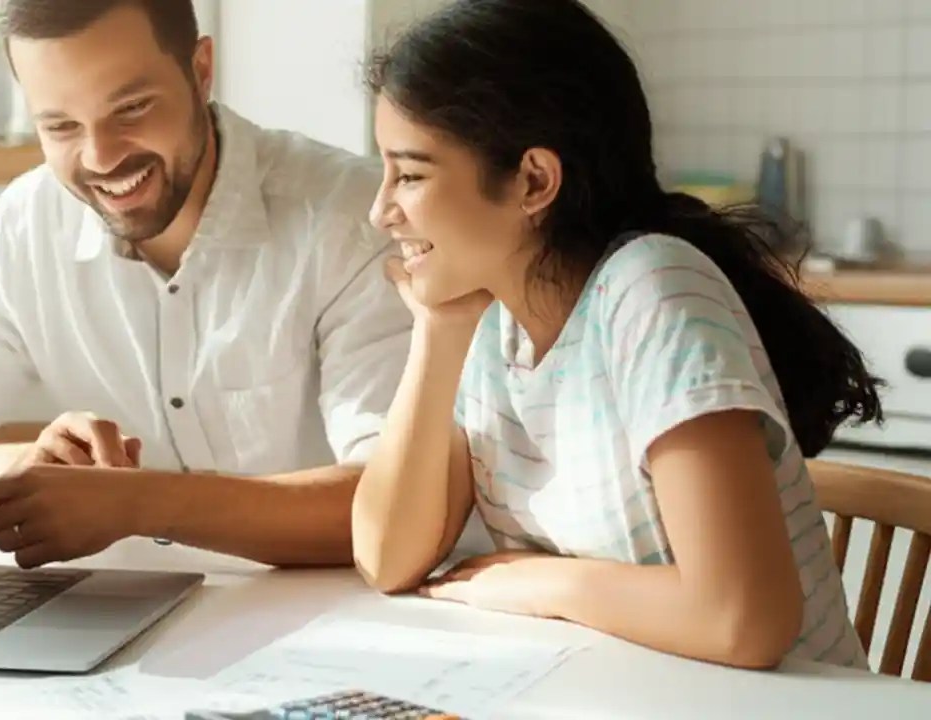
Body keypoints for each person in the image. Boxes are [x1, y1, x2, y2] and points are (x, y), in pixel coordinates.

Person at [352, 0, 883, 671]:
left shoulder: (651, 290)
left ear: (534, 181)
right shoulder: (494, 324)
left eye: (410, 174)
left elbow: (744, 620)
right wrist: (436, 332)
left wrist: (539, 582)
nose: (381, 212)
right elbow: (386, 558)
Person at [0, 0, 411, 569]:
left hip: (337, 617)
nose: (101, 157)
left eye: (132, 108)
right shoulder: (27, 222)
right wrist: (26, 471)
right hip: (129, 617)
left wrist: (138, 503)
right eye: (61, 126)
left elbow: (395, 504)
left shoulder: (354, 219)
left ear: (200, 71)